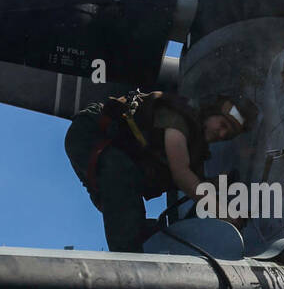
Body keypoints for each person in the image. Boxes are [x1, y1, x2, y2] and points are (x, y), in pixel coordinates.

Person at [64, 90, 258, 252]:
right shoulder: (178, 118)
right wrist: (224, 214)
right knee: (123, 192)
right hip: (91, 136)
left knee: (130, 210)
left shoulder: (195, 148)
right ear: (212, 112)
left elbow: (196, 183)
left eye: (229, 135)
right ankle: (128, 263)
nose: (222, 134)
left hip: (115, 158)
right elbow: (182, 176)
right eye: (223, 125)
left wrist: (222, 186)